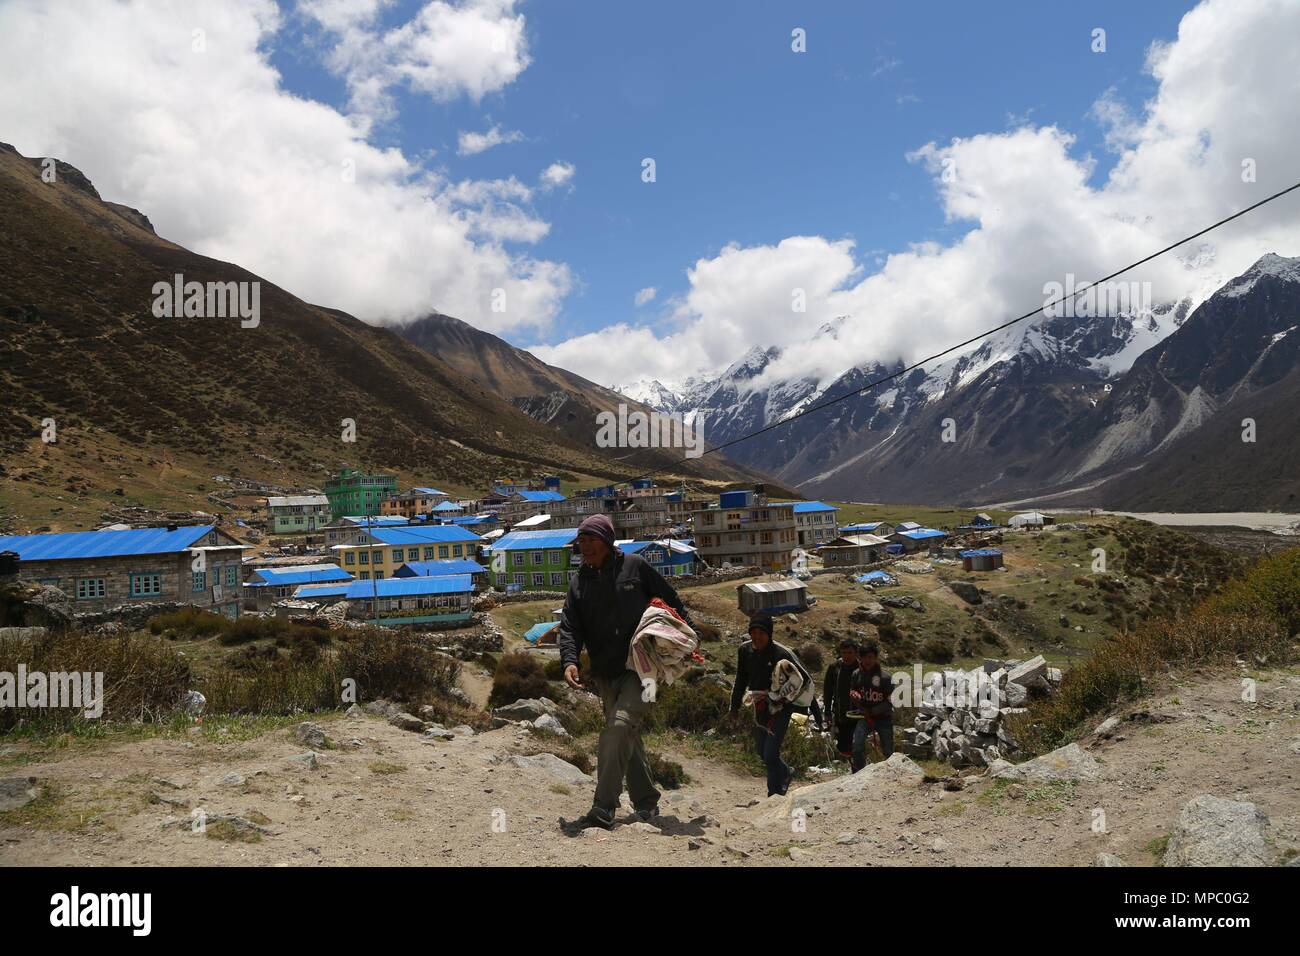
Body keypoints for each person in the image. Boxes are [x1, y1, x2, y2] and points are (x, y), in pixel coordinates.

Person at [557, 513, 692, 831]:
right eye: (581, 540)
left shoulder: (635, 567)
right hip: (605, 673)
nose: (585, 546)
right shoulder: (579, 584)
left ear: (606, 541)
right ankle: (647, 804)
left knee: (618, 727)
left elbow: (670, 601)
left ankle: (603, 807)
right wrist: (569, 661)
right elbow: (570, 628)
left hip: (643, 670)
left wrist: (688, 636)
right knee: (626, 735)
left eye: (591, 539)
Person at [729, 614, 813, 797]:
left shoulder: (782, 654)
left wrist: (785, 700)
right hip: (759, 708)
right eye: (754, 632)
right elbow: (740, 679)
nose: (757, 637)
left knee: (770, 753)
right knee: (761, 751)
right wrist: (733, 708)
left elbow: (804, 680)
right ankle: (785, 772)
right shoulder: (745, 651)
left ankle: (774, 794)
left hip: (781, 709)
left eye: (762, 633)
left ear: (770, 634)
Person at [848, 640, 894, 771]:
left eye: (870, 657)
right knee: (856, 745)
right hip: (864, 717)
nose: (867, 661)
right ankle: (859, 772)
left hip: (883, 718)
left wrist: (873, 711)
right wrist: (853, 694)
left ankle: (892, 775)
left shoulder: (885, 678)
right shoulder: (856, 674)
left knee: (888, 750)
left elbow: (890, 701)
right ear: (859, 658)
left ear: (876, 658)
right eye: (864, 657)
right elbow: (853, 689)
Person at [822, 638, 860, 760]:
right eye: (844, 653)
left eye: (850, 653)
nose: (846, 656)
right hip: (840, 715)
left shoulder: (862, 668)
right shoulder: (834, 668)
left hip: (859, 716)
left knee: (857, 746)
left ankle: (857, 770)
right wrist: (827, 712)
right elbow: (827, 691)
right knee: (843, 748)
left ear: (856, 653)